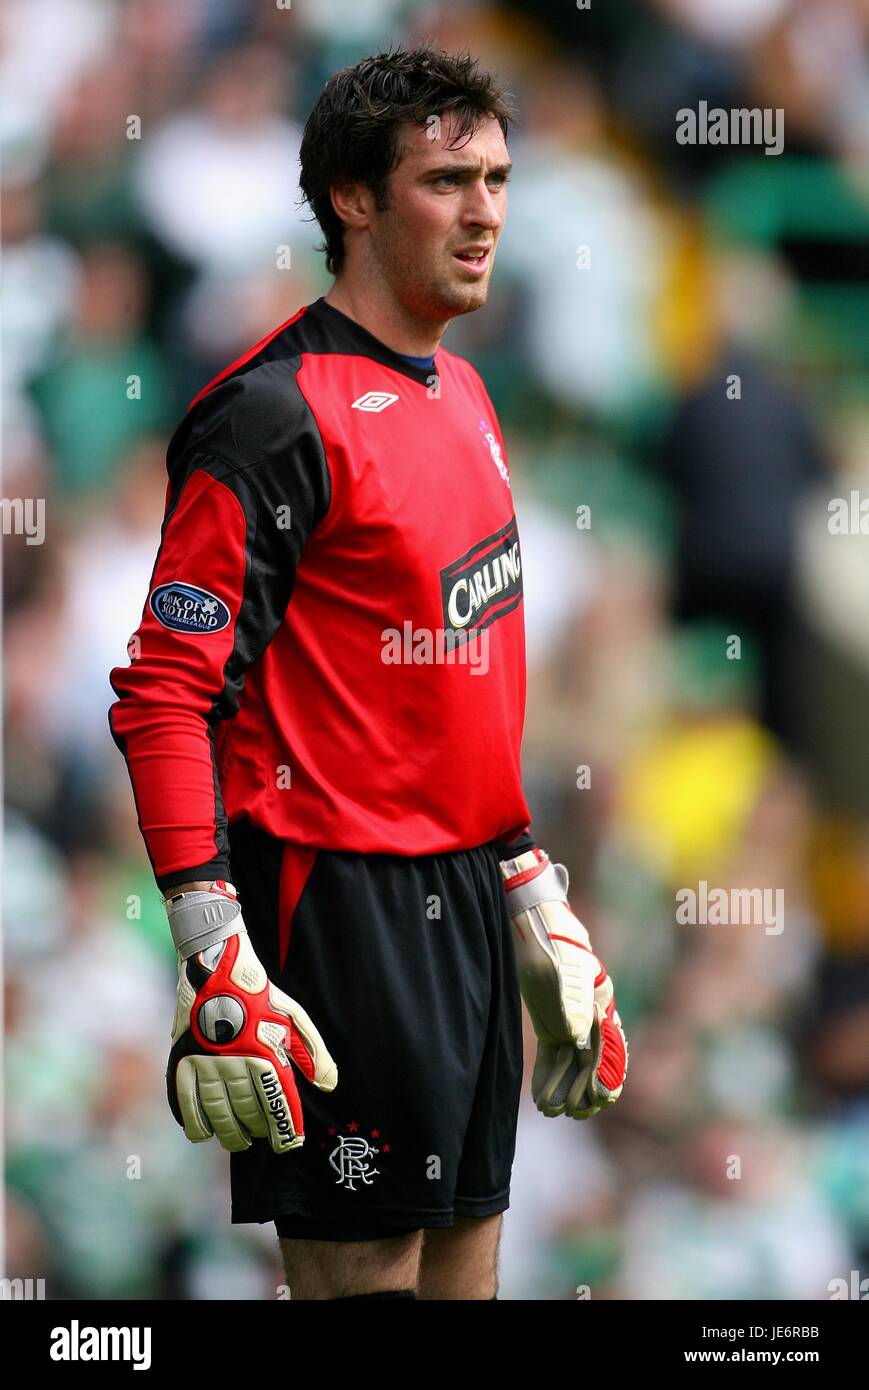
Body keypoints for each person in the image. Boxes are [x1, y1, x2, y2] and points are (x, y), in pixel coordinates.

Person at [109, 43, 628, 1302]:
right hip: (336, 907)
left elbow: (451, 691)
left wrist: (528, 891)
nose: (487, 211)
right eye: (448, 180)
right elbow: (166, 692)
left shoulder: (468, 391)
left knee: (467, 1279)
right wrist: (211, 944)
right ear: (353, 197)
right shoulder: (271, 412)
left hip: (463, 903)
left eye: (498, 179)